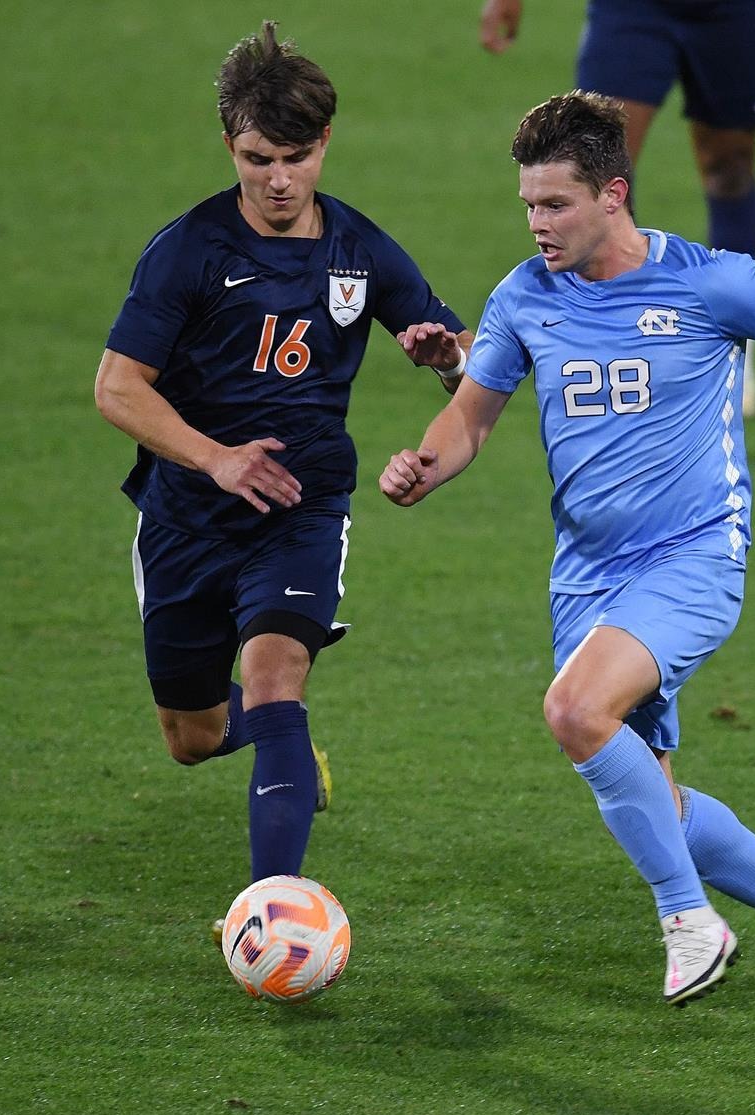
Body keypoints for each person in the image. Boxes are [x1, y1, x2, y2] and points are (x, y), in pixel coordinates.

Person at [379, 92, 755, 1009]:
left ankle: (689, 921)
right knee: (657, 801)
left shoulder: (711, 282)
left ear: (614, 194)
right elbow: (472, 417)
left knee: (574, 711)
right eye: (529, 204)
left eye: (557, 203)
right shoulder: (524, 295)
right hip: (587, 578)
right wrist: (424, 466)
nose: (538, 224)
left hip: (693, 558)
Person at [93, 21, 471, 890]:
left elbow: (474, 371)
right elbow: (117, 387)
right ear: (229, 143)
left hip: (301, 512)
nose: (278, 178)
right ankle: (290, 761)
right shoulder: (188, 251)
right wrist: (215, 457)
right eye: (258, 157)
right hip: (186, 519)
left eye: (296, 157)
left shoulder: (358, 250)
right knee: (190, 737)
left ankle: (273, 915)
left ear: (325, 143)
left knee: (274, 682)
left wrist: (446, 356)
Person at [478, 0, 755, 418]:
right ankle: (618, 340)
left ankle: (736, 345)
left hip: (730, 13)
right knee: (598, 166)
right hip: (632, 9)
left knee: (730, 169)